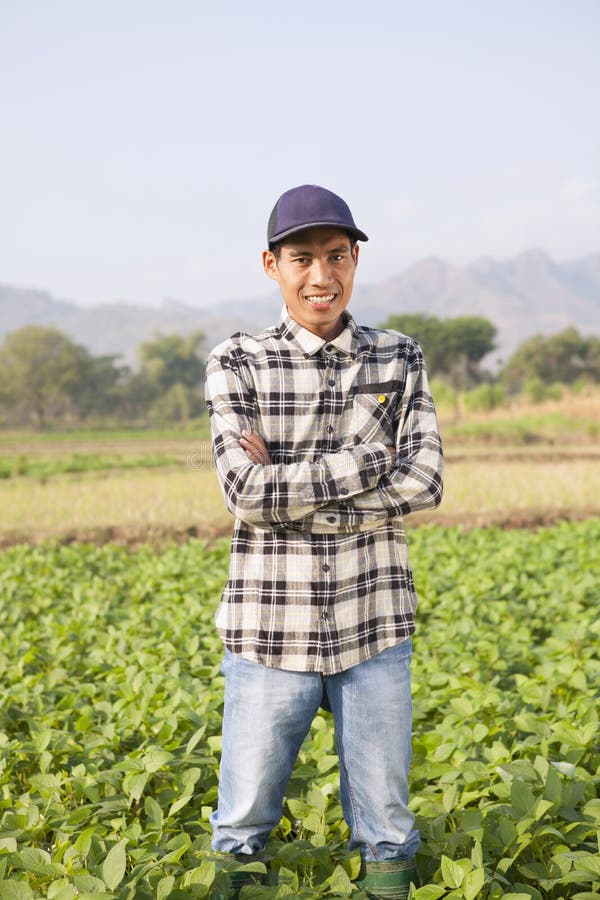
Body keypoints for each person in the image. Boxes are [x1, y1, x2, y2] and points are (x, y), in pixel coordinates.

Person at [204, 184, 443, 899]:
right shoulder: (238, 360)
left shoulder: (398, 356)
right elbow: (246, 494)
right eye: (302, 258)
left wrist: (292, 489)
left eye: (337, 256)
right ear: (271, 265)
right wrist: (369, 461)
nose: (322, 275)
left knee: (388, 825)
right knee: (242, 820)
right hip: (269, 625)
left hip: (375, 622)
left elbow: (425, 481)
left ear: (355, 260)